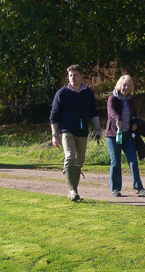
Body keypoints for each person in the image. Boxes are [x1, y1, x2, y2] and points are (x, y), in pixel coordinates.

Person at [50, 64, 102, 201]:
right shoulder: (62, 93)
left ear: (81, 76)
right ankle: (72, 190)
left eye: (75, 75)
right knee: (70, 156)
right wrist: (55, 135)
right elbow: (54, 116)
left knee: (79, 161)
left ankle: (73, 188)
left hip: (82, 132)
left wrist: (98, 129)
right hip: (66, 130)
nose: (72, 78)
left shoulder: (88, 93)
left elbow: (94, 112)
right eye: (70, 75)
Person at [106, 75, 145, 197]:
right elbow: (111, 112)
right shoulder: (112, 98)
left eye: (129, 86)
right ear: (119, 85)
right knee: (116, 162)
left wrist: (135, 124)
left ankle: (139, 187)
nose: (126, 88)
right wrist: (118, 120)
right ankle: (115, 189)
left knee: (133, 160)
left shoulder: (130, 100)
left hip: (127, 135)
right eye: (124, 85)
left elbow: (134, 115)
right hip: (114, 135)